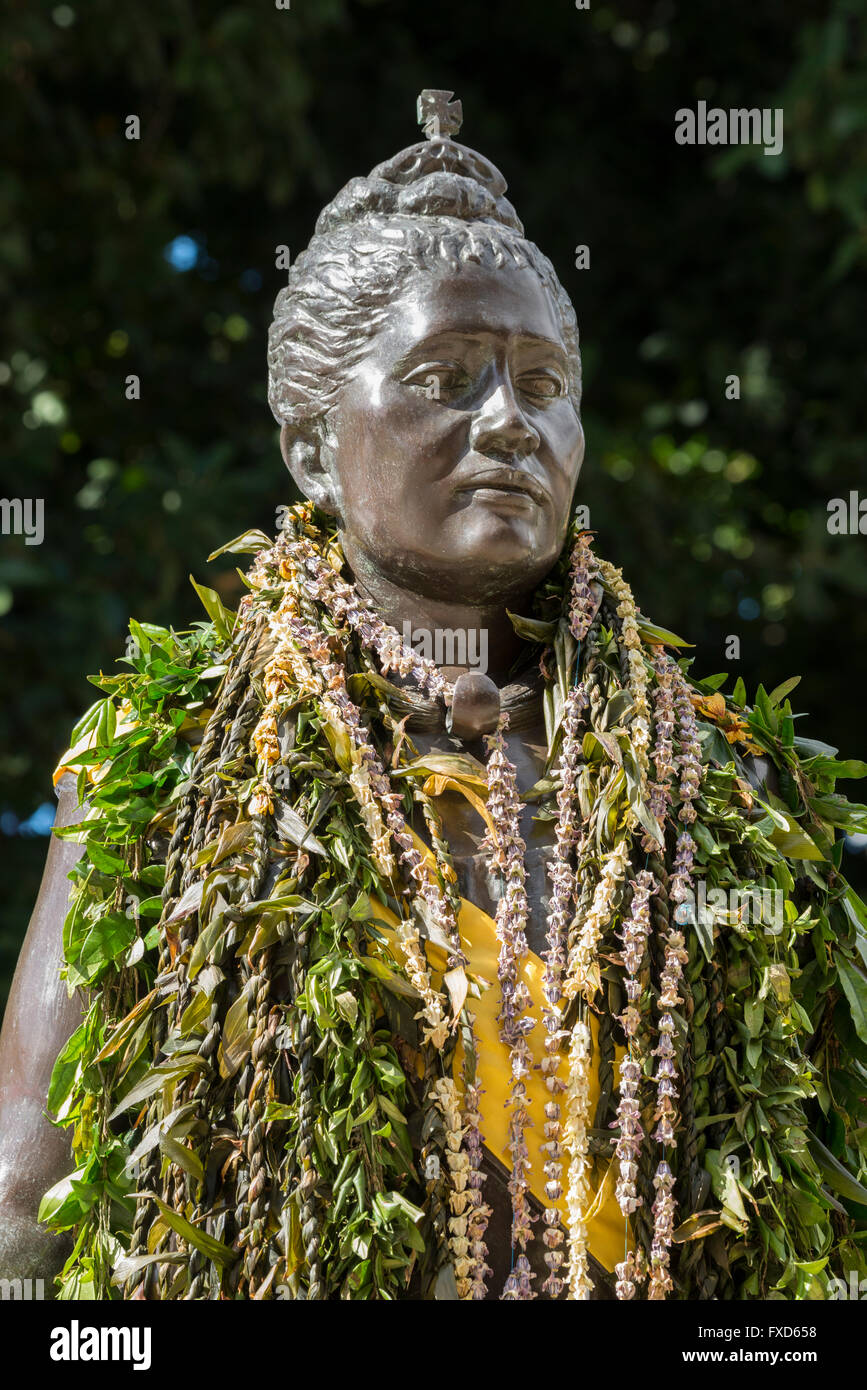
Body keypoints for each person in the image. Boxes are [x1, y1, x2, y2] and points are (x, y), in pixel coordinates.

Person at [1, 91, 865, 1301]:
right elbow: (33, 1200)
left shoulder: (726, 786)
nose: (510, 422)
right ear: (311, 446)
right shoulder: (171, 768)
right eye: (445, 378)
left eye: (544, 383)